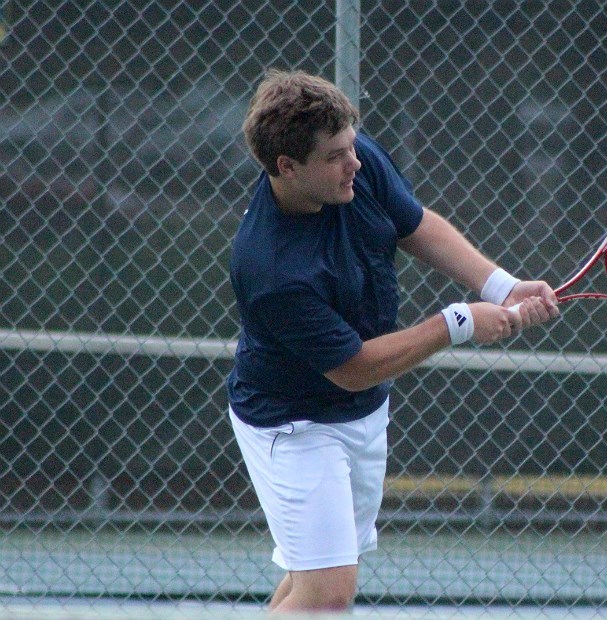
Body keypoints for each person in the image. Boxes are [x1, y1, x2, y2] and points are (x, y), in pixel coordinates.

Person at [226, 68, 559, 613]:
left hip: (362, 414)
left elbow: (415, 224)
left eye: (351, 147)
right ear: (287, 167)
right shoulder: (270, 266)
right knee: (328, 594)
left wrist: (501, 286)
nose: (353, 162)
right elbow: (353, 366)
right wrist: (459, 323)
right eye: (335, 156)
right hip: (292, 424)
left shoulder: (353, 163)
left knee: (311, 584)